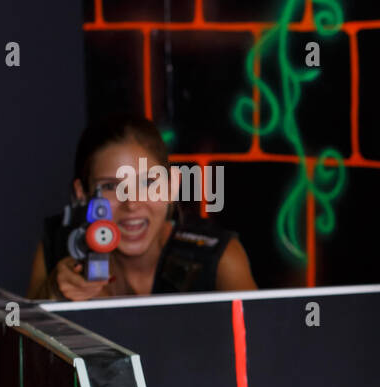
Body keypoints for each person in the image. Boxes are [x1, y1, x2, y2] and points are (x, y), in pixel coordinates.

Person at [27, 114, 256, 299]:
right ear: (82, 194)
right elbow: (22, 347)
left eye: (147, 182)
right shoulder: (59, 246)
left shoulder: (218, 258)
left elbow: (265, 344)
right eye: (110, 186)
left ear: (172, 185)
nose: (132, 203)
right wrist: (53, 293)